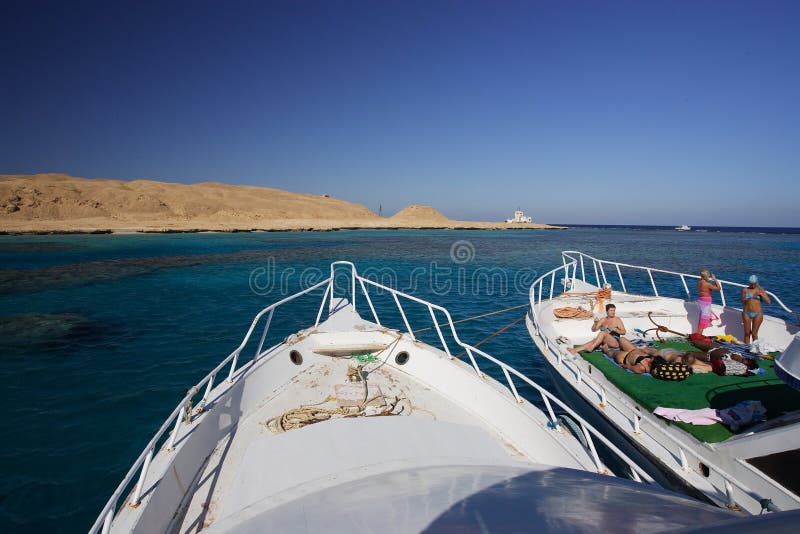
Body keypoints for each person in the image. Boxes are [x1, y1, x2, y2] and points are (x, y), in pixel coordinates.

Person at [740, 275, 771, 343]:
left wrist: (762, 294)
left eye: (754, 284)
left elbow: (769, 301)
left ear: (756, 283)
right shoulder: (745, 290)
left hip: (758, 313)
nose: (752, 285)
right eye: (751, 284)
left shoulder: (760, 290)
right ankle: (746, 349)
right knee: (747, 333)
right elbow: (742, 301)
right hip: (746, 313)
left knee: (754, 334)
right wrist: (748, 297)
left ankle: (755, 349)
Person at [696, 269, 720, 334]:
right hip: (706, 302)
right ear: (706, 275)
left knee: (702, 318)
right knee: (703, 320)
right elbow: (718, 288)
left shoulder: (699, 282)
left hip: (700, 301)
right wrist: (715, 279)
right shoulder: (707, 284)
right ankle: (698, 335)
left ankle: (698, 335)